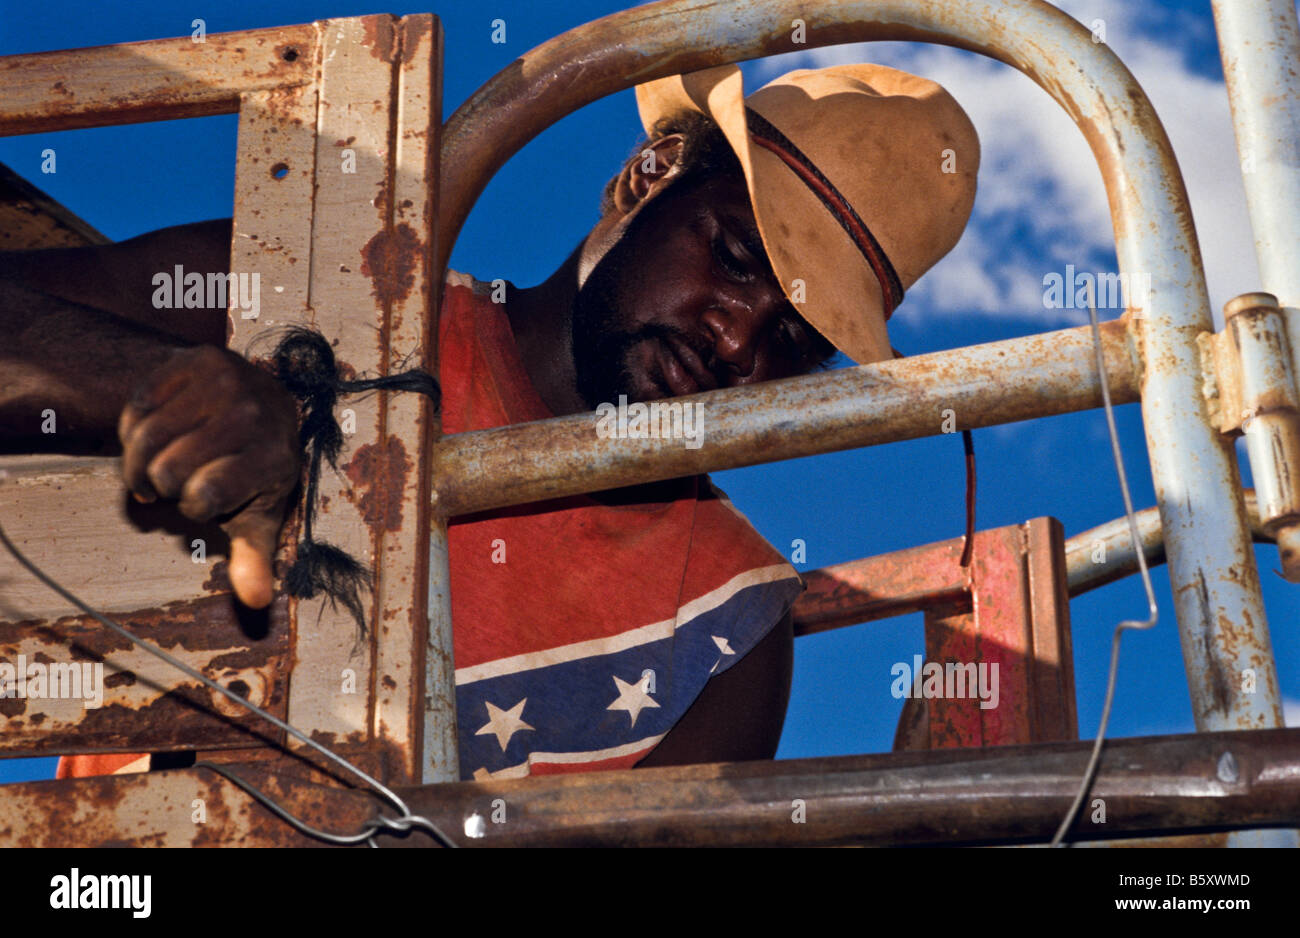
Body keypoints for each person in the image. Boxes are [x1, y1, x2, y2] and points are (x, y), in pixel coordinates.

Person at [0, 62, 977, 780]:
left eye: (798, 337)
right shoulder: (324, 299)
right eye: (733, 257)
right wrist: (165, 383)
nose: (736, 340)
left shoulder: (730, 628)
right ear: (649, 176)